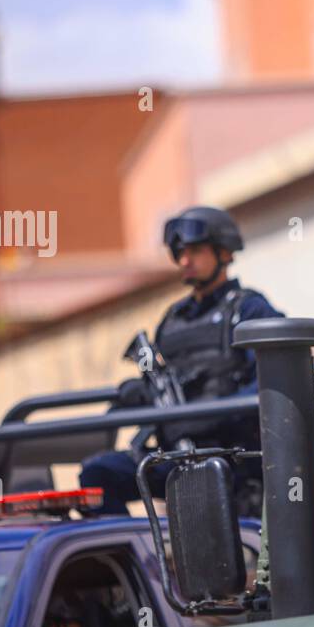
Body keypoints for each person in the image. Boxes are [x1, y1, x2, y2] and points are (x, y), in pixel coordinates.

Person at [80, 206, 283, 515]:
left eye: (196, 251)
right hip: (176, 456)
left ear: (225, 253)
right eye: (179, 252)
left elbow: (273, 381)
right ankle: (142, 561)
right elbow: (164, 377)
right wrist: (140, 393)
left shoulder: (248, 309)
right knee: (97, 475)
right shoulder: (173, 320)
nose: (184, 260)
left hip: (232, 458)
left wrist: (216, 414)